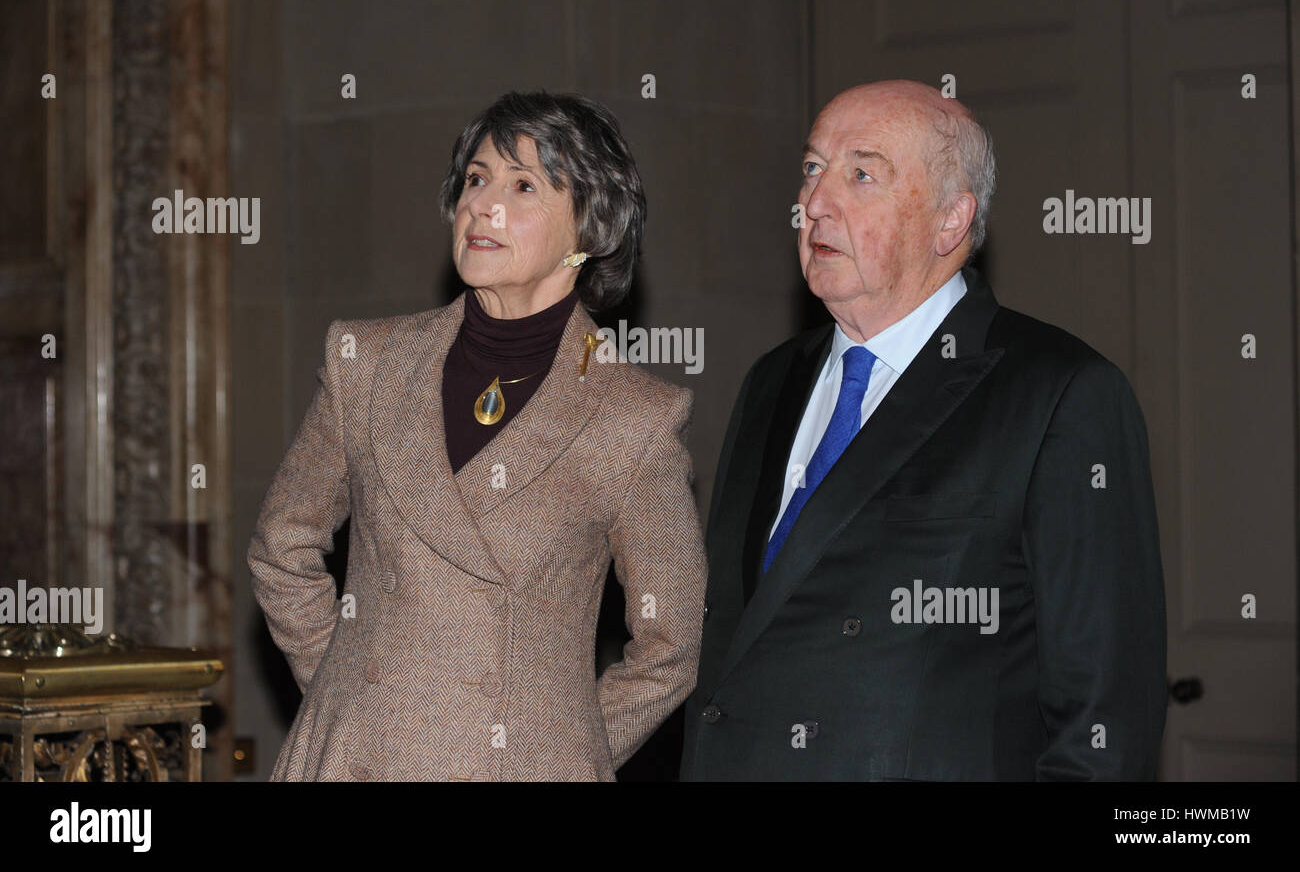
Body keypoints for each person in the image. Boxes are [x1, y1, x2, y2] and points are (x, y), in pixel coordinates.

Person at [681, 80, 1167, 781]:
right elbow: (729, 637)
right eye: (813, 169)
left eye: (861, 173)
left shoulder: (1059, 394)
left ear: (950, 221)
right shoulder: (771, 380)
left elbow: (1102, 725)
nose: (814, 202)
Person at [249, 91, 706, 781]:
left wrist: (551, 750)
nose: (482, 205)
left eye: (523, 185)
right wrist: (359, 697)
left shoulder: (633, 418)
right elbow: (282, 550)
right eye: (475, 179)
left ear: (590, 228)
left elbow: (670, 644)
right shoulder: (366, 363)